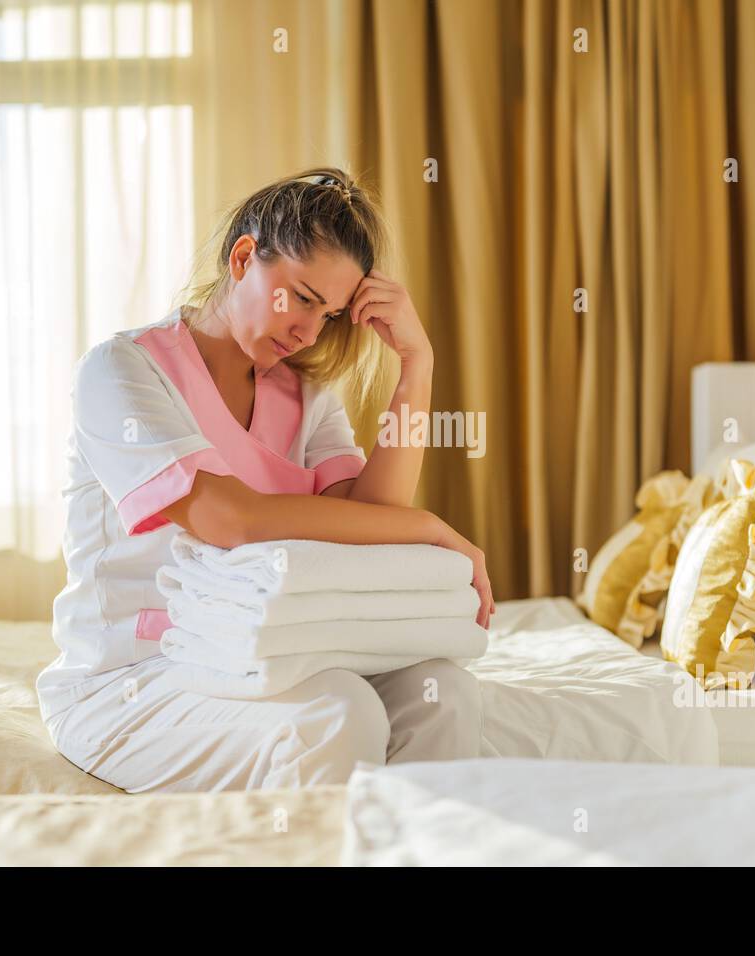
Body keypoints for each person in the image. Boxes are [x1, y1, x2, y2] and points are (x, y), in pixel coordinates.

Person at [35, 167, 494, 792]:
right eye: (303, 298)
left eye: (330, 314)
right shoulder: (121, 371)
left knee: (448, 696)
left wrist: (417, 365)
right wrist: (430, 528)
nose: (309, 330)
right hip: (133, 677)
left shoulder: (305, 394)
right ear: (244, 256)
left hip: (266, 650)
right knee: (339, 711)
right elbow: (231, 520)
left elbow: (371, 519)